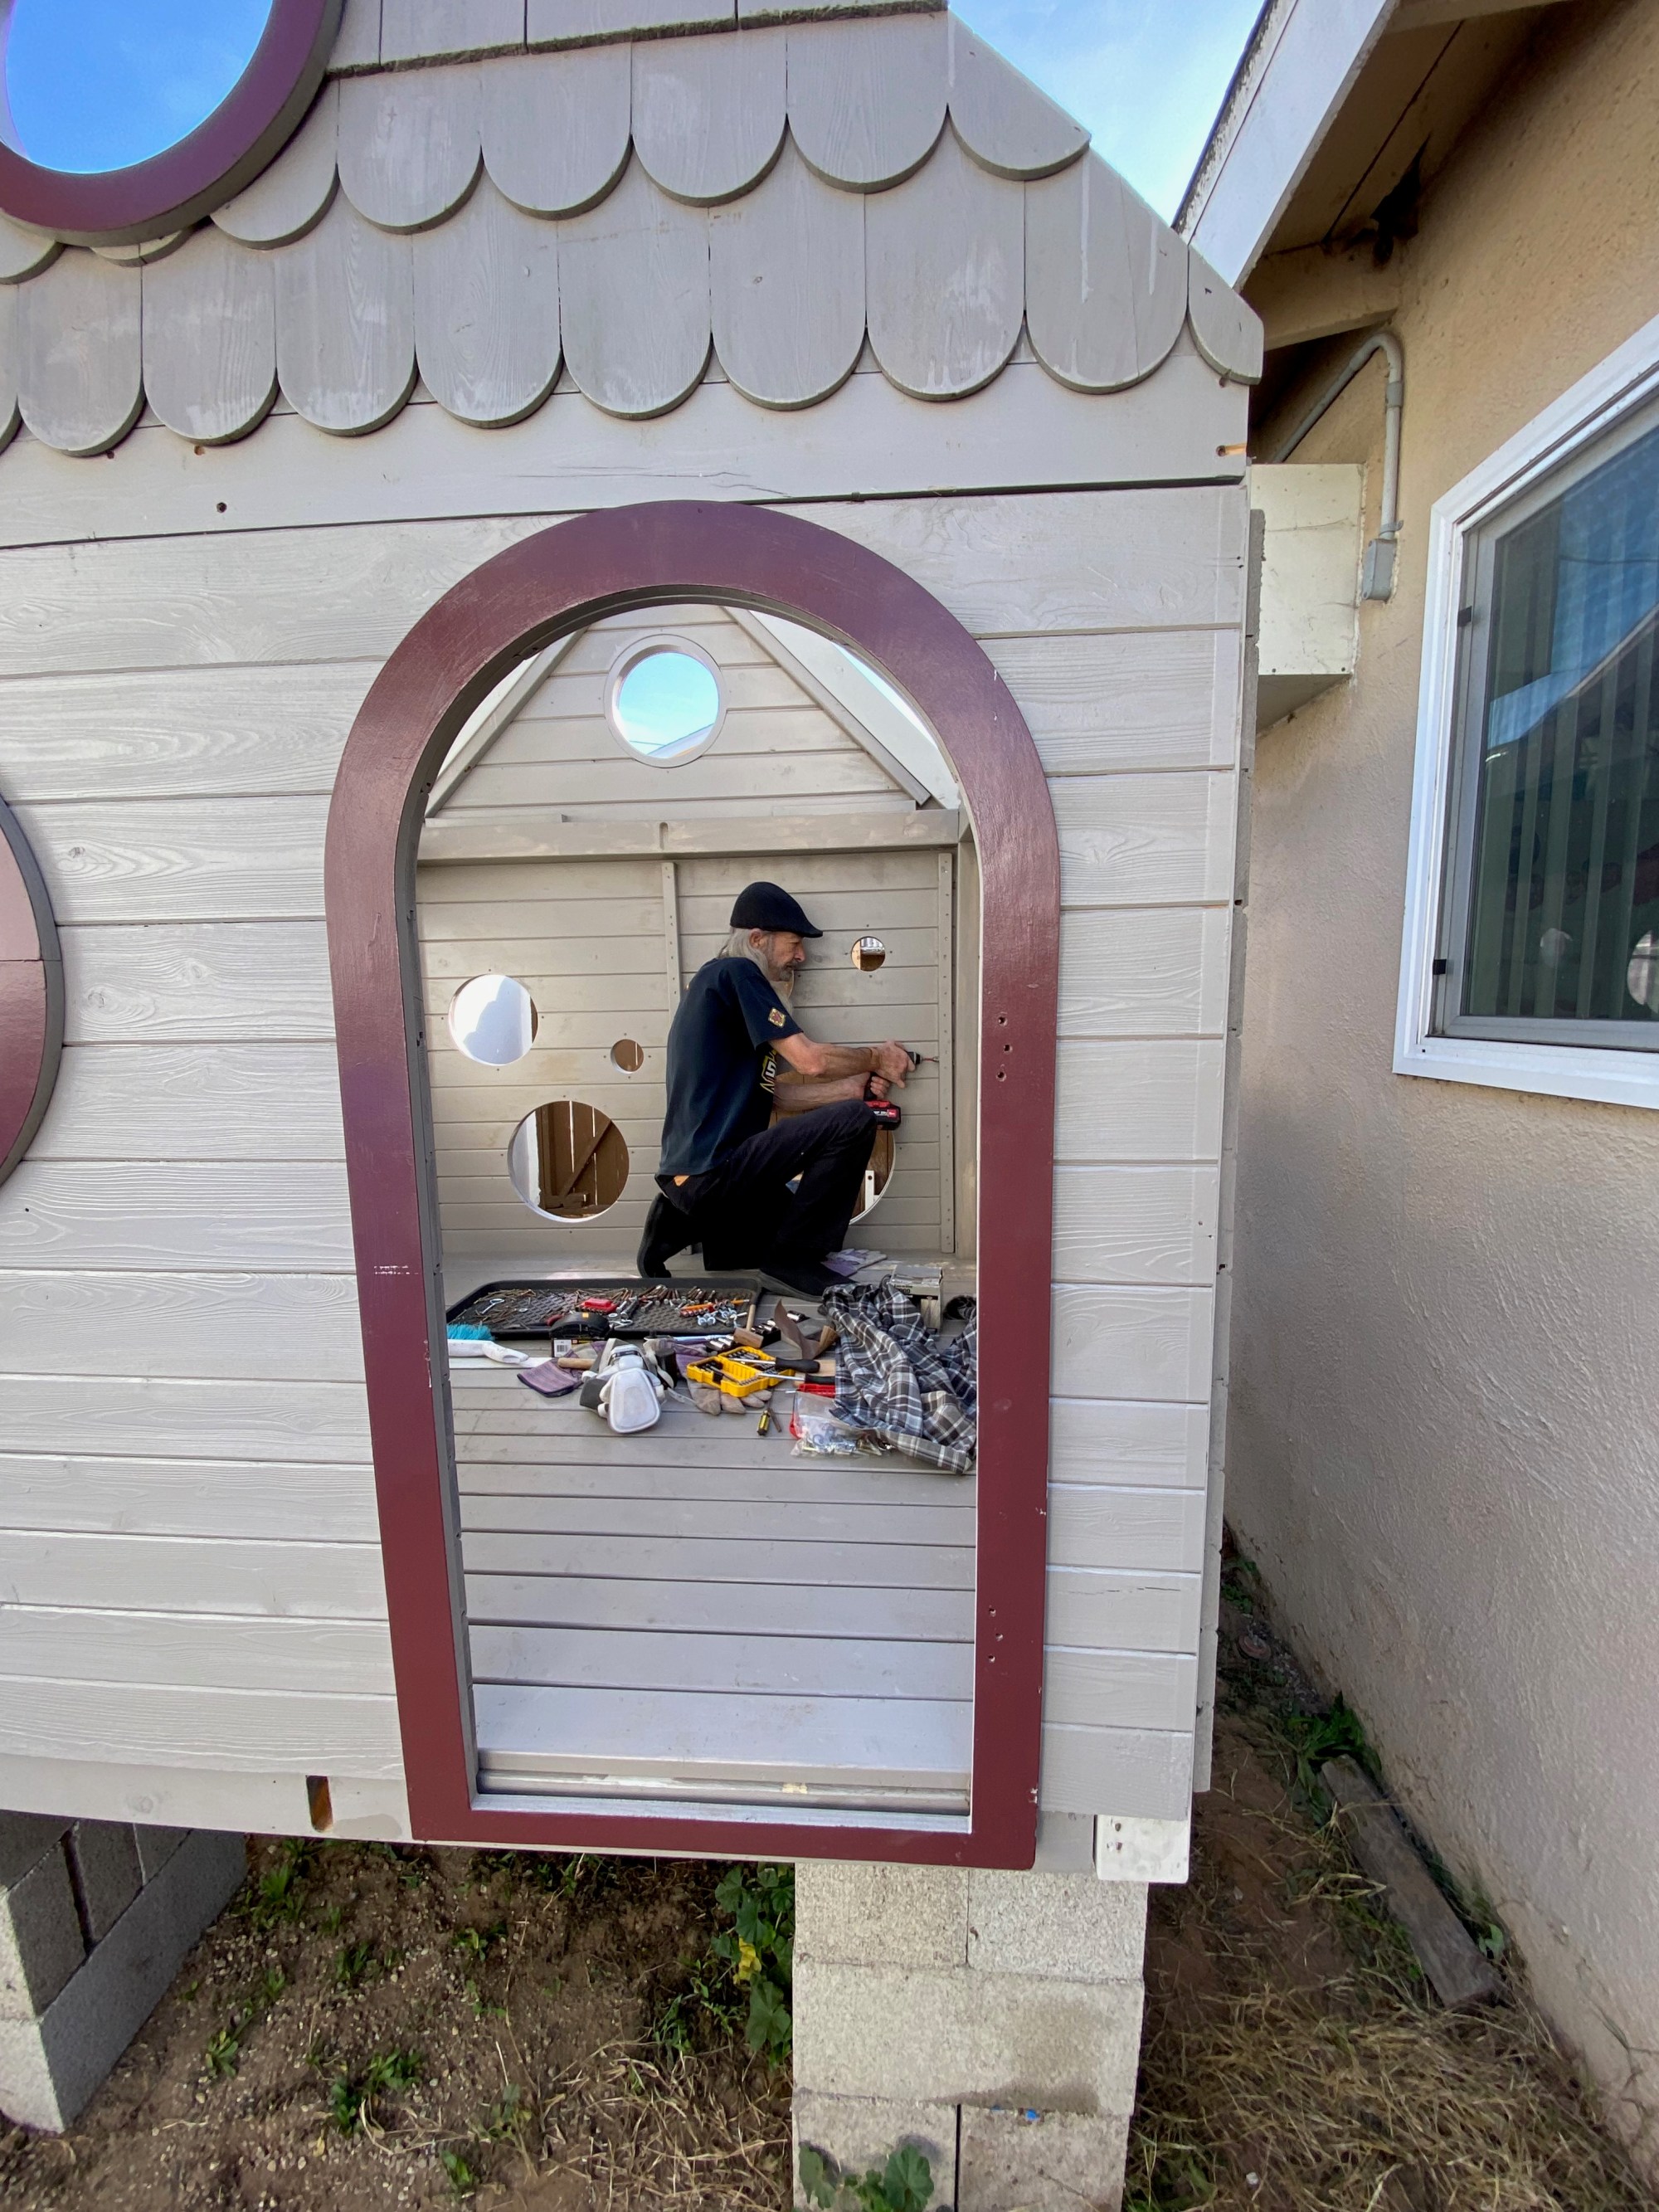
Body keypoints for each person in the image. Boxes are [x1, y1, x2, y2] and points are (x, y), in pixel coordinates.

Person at [636, 880, 913, 1297]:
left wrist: (848, 1091)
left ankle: (674, 1226)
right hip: (715, 1175)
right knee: (855, 1123)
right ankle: (793, 1263)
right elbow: (812, 1061)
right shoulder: (738, 972)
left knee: (763, 1237)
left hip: (699, 1181)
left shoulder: (713, 986)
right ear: (757, 939)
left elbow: (775, 1096)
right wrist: (877, 1057)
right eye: (794, 943)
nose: (800, 956)